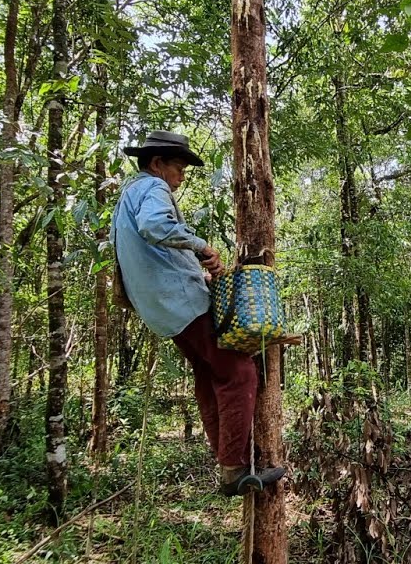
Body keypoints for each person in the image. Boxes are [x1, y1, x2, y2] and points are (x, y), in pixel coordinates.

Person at [110, 130, 285, 495]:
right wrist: (202, 247)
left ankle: (228, 464)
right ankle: (235, 469)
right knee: (239, 373)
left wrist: (195, 271)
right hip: (182, 303)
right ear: (157, 163)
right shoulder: (153, 187)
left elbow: (151, 253)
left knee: (209, 377)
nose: (180, 178)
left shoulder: (127, 196)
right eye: (178, 168)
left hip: (163, 311)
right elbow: (155, 227)